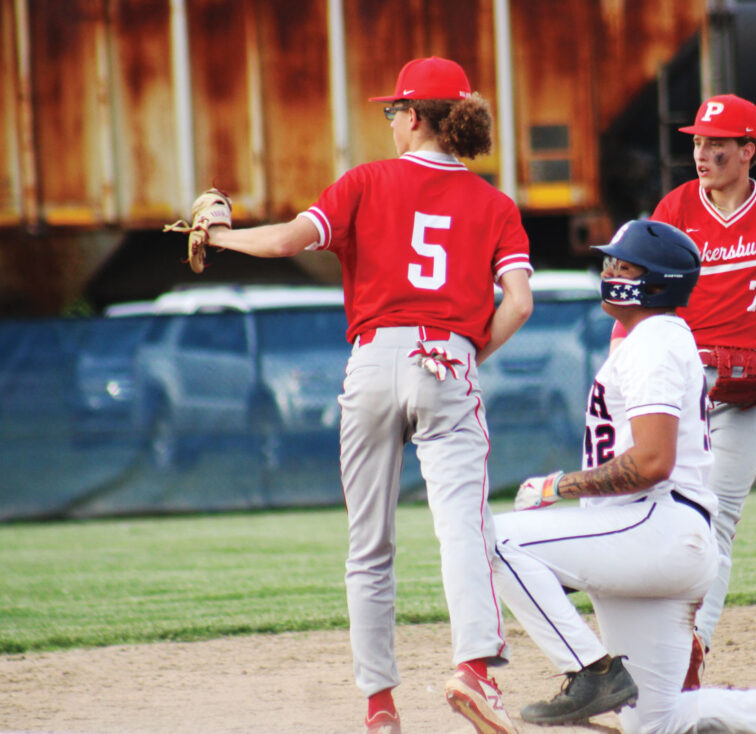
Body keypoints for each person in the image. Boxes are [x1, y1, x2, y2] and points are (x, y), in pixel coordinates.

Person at [186, 57, 533, 733]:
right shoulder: (495, 204)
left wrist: (221, 234)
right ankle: (473, 672)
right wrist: (464, 349)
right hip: (448, 356)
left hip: (372, 361)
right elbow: (517, 302)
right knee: (463, 526)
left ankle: (379, 706)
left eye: (392, 112)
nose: (390, 123)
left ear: (412, 116)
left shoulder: (367, 182)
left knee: (368, 545)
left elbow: (289, 240)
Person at [492, 219, 756, 734]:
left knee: (491, 538)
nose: (607, 271)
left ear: (654, 284)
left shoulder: (652, 342)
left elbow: (653, 462)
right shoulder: (658, 338)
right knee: (656, 722)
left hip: (655, 525)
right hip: (657, 542)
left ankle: (590, 673)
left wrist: (557, 487)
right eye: (609, 261)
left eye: (621, 264)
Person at [613, 93, 756, 683]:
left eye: (717, 144)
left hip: (746, 391)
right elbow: (633, 296)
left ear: (749, 151)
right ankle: (646, 644)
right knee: (648, 513)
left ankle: (692, 651)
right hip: (672, 379)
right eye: (697, 142)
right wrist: (620, 366)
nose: (702, 153)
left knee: (713, 522)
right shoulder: (674, 207)